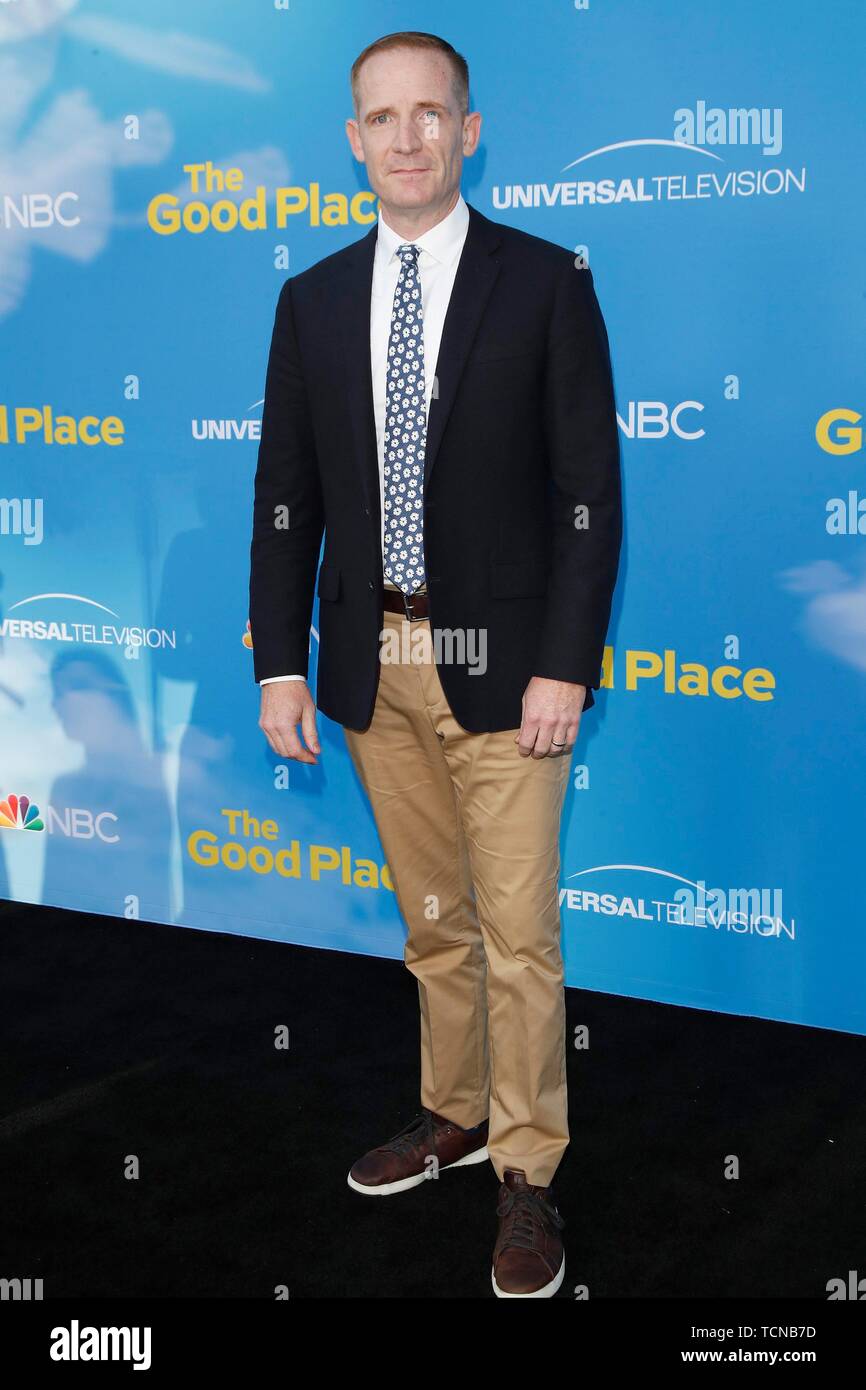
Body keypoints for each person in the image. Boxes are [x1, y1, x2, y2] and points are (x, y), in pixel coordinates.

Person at [249, 29, 622, 1298]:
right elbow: (285, 501)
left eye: (429, 113)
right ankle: (453, 1114)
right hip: (373, 663)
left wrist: (565, 662)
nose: (405, 138)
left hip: (507, 667)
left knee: (517, 935)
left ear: (468, 130)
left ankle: (527, 1169)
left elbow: (586, 494)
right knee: (431, 921)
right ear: (351, 141)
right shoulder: (309, 300)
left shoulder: (545, 281)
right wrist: (280, 663)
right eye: (381, 117)